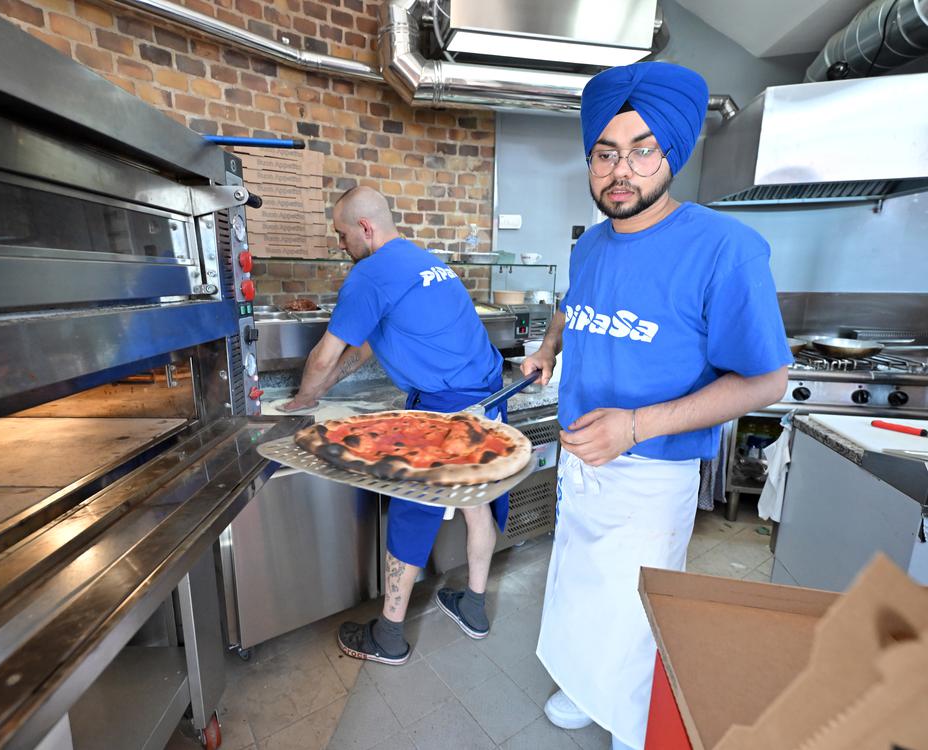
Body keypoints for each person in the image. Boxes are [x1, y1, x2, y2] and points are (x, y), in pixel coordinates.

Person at [520, 61, 791, 750]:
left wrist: (636, 426)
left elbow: (766, 382)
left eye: (642, 151)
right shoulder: (592, 245)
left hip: (652, 469)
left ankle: (633, 725)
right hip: (581, 460)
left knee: (636, 610)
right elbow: (573, 305)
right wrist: (549, 348)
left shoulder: (725, 249)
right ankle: (586, 687)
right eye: (605, 153)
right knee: (579, 585)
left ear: (672, 152)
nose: (621, 171)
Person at [279, 186, 510, 665]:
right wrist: (325, 387)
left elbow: (324, 355)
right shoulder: (424, 260)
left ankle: (388, 636)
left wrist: (302, 401)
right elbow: (365, 346)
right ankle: (474, 606)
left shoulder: (370, 274)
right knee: (478, 503)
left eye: (341, 234)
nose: (340, 244)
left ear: (365, 228)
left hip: (446, 410)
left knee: (412, 514)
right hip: (488, 396)